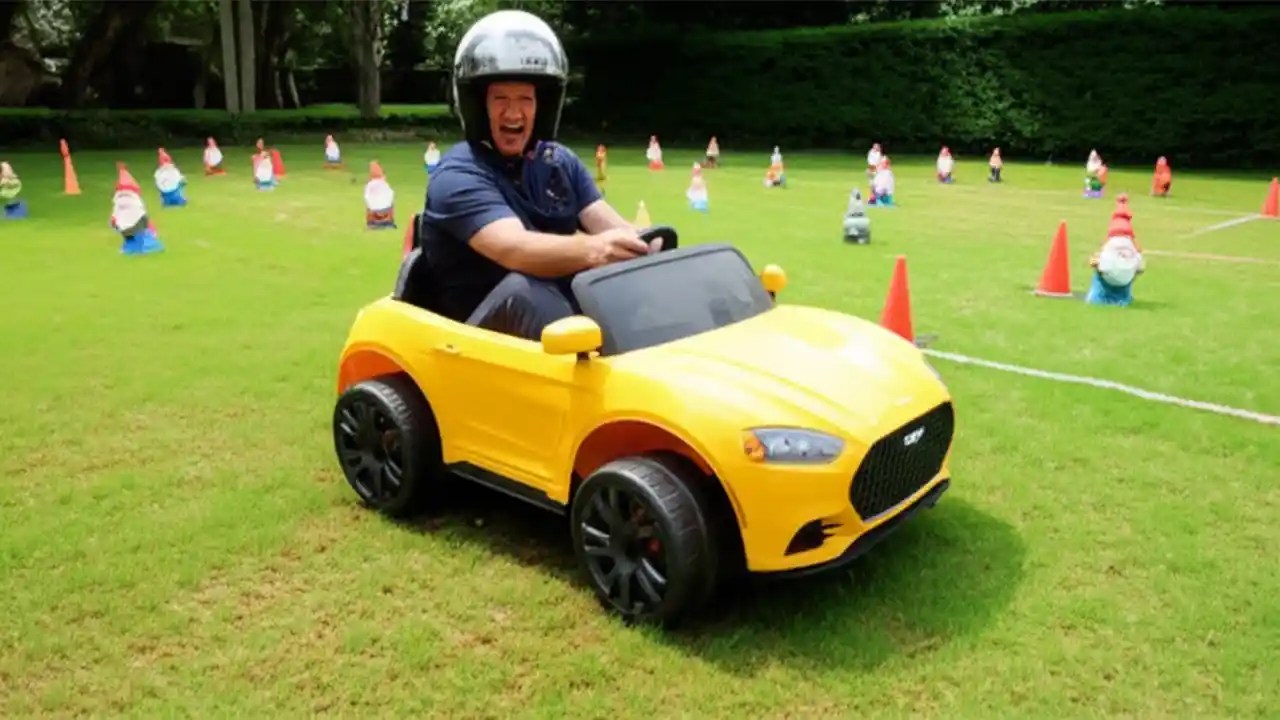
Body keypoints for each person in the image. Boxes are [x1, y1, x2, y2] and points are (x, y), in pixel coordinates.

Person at [418, 10, 657, 340]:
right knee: (525, 289)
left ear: (541, 107)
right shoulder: (457, 175)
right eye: (500, 98)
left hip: (556, 329)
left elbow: (610, 226)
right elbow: (515, 249)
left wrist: (648, 246)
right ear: (477, 106)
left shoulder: (559, 163)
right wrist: (595, 250)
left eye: (525, 100)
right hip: (473, 338)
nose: (513, 112)